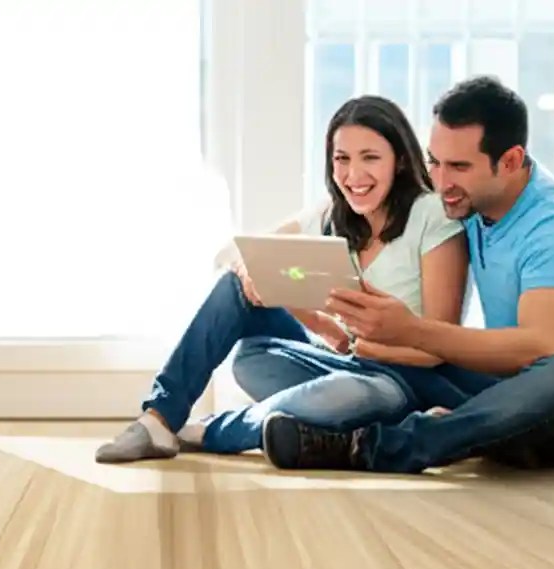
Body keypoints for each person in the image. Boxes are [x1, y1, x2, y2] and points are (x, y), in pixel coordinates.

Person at [262, 75, 554, 473]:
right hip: (495, 388)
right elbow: (344, 201)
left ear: (509, 161)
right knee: (408, 362)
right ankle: (457, 429)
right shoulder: (464, 202)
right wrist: (264, 258)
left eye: (458, 166)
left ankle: (371, 446)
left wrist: (411, 330)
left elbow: (538, 347)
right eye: (434, 161)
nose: (440, 181)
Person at [95, 95, 468, 463]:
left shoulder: (431, 215)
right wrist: (314, 319)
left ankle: (209, 430)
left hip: (396, 382)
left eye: (370, 157)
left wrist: (368, 348)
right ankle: (160, 417)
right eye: (342, 159)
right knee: (247, 346)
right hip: (341, 364)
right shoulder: (332, 214)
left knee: (350, 395)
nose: (353, 175)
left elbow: (441, 345)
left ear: (400, 160)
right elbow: (237, 252)